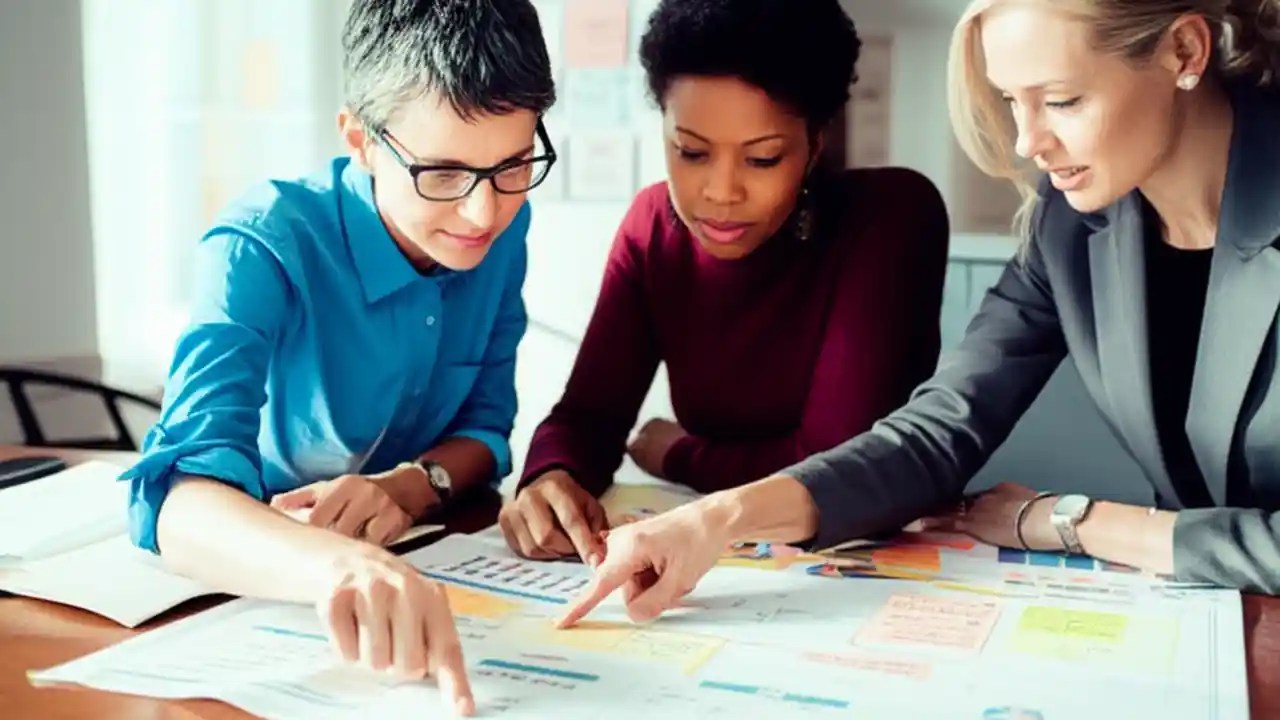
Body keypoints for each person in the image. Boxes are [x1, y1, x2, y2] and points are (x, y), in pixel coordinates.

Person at [558, 0, 1280, 628]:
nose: (1028, 142)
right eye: (1009, 102)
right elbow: (934, 433)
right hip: (1224, 623)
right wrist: (713, 521)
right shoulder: (1071, 225)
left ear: (1184, 51)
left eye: (1060, 100)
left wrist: (1078, 524)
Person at [122, 0, 557, 712]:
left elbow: (485, 431)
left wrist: (406, 487)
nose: (484, 213)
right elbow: (174, 496)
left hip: (434, 555)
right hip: (266, 576)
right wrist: (342, 565)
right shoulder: (259, 243)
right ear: (359, 137)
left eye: (512, 165)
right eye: (443, 174)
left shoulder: (503, 228)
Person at [499, 0, 950, 564]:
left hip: (861, 554)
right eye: (690, 152)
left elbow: (835, 464)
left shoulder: (891, 218)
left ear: (814, 146)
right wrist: (551, 475)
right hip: (721, 558)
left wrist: (680, 456)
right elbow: (590, 416)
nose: (721, 191)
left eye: (762, 158)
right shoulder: (653, 227)